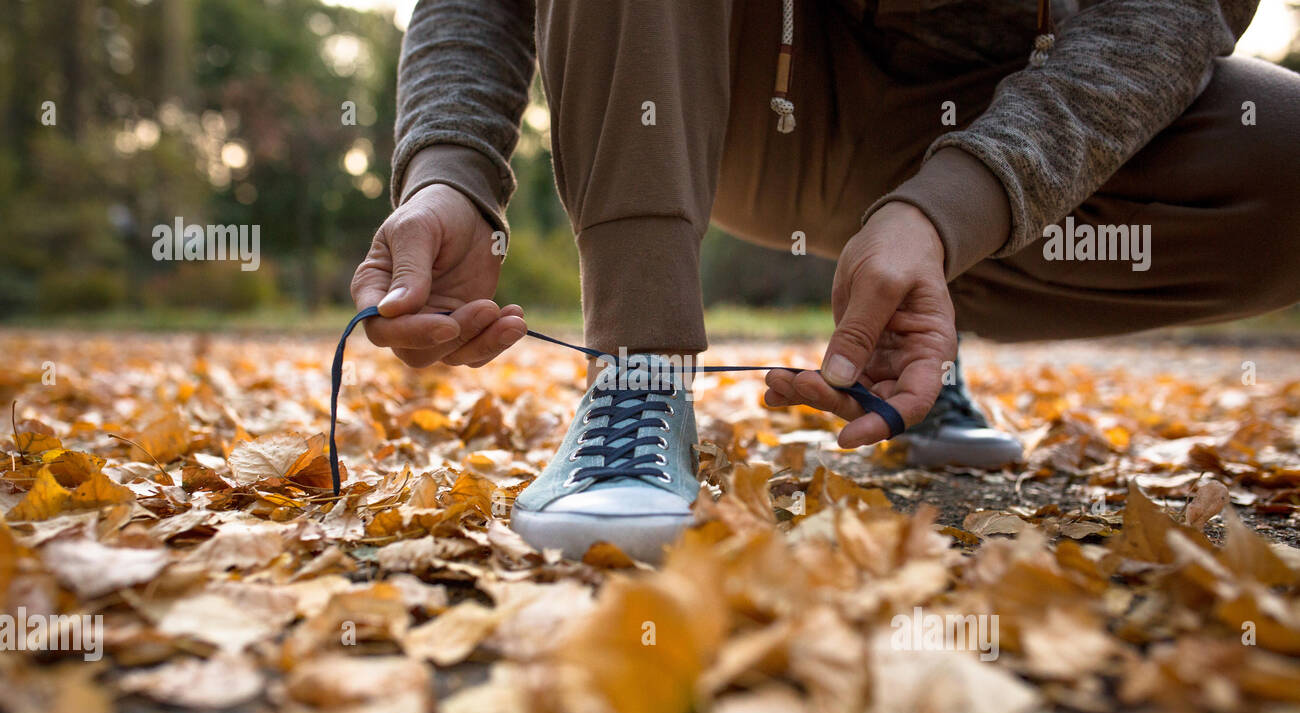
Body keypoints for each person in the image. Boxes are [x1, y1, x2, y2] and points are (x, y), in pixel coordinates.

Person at [350, 0, 1300, 560]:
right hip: (734, 96)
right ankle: (638, 373)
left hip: (1013, 106)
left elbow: (1170, 11)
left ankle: (919, 305)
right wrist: (450, 171)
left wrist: (949, 207)